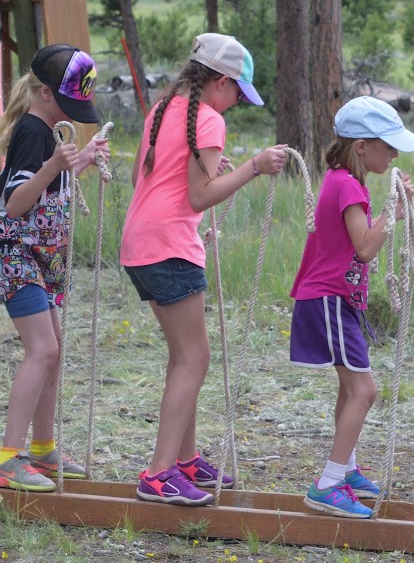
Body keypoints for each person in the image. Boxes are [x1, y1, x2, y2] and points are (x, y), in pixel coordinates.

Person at [121, 33, 288, 506]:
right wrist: (253, 167)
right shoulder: (209, 120)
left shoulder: (162, 109)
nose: (238, 102)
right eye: (238, 93)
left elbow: (142, 178)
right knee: (194, 358)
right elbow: (199, 197)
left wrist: (213, 171)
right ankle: (159, 474)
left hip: (139, 242)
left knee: (183, 357)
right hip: (170, 246)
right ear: (220, 81)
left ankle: (184, 459)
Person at [0, 44, 111, 491]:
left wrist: (82, 159)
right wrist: (55, 163)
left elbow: (49, 185)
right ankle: (6, 460)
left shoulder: (49, 129)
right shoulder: (34, 132)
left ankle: (42, 451)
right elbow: (16, 203)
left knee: (53, 351)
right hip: (13, 251)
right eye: (70, 102)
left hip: (36, 253)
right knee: (42, 350)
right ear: (47, 93)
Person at [291, 96, 414, 518]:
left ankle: (345, 469)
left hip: (335, 298)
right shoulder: (348, 185)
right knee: (364, 390)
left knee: (351, 388)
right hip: (329, 298)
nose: (394, 155)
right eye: (388, 146)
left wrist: (391, 211)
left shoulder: (344, 179)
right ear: (361, 146)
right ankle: (328, 483)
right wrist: (393, 212)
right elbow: (365, 248)